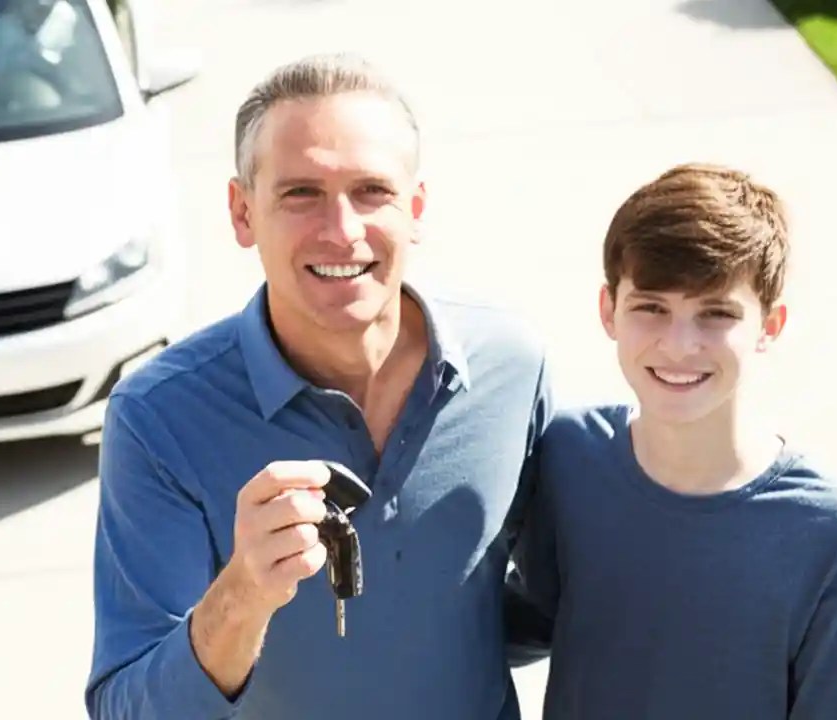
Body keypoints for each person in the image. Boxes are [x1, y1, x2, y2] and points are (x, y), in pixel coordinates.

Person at [85, 53, 553, 719]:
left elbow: (554, 603)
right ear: (242, 213)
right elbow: (125, 708)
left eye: (372, 191)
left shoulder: (513, 366)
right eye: (300, 193)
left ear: (415, 209)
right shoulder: (157, 419)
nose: (342, 232)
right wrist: (243, 593)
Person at [511, 163, 837, 719]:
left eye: (716, 314)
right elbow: (522, 620)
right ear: (608, 309)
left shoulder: (835, 537)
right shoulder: (570, 458)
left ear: (770, 326)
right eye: (651, 307)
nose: (679, 345)